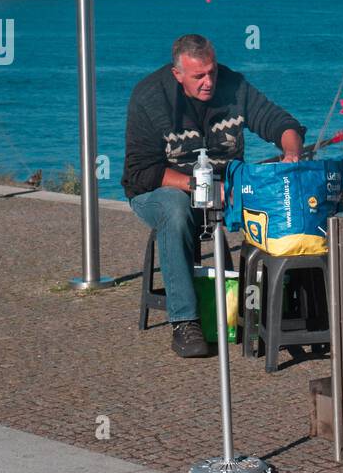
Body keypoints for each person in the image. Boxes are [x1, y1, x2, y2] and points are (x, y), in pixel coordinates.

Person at [123, 33, 305, 358]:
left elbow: (279, 121)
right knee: (174, 208)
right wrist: (200, 188)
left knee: (282, 193)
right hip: (161, 192)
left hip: (227, 191)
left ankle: (276, 307)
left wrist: (291, 154)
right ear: (178, 74)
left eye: (212, 72)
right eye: (199, 77)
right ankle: (185, 322)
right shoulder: (149, 97)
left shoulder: (233, 85)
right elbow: (139, 174)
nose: (209, 82)